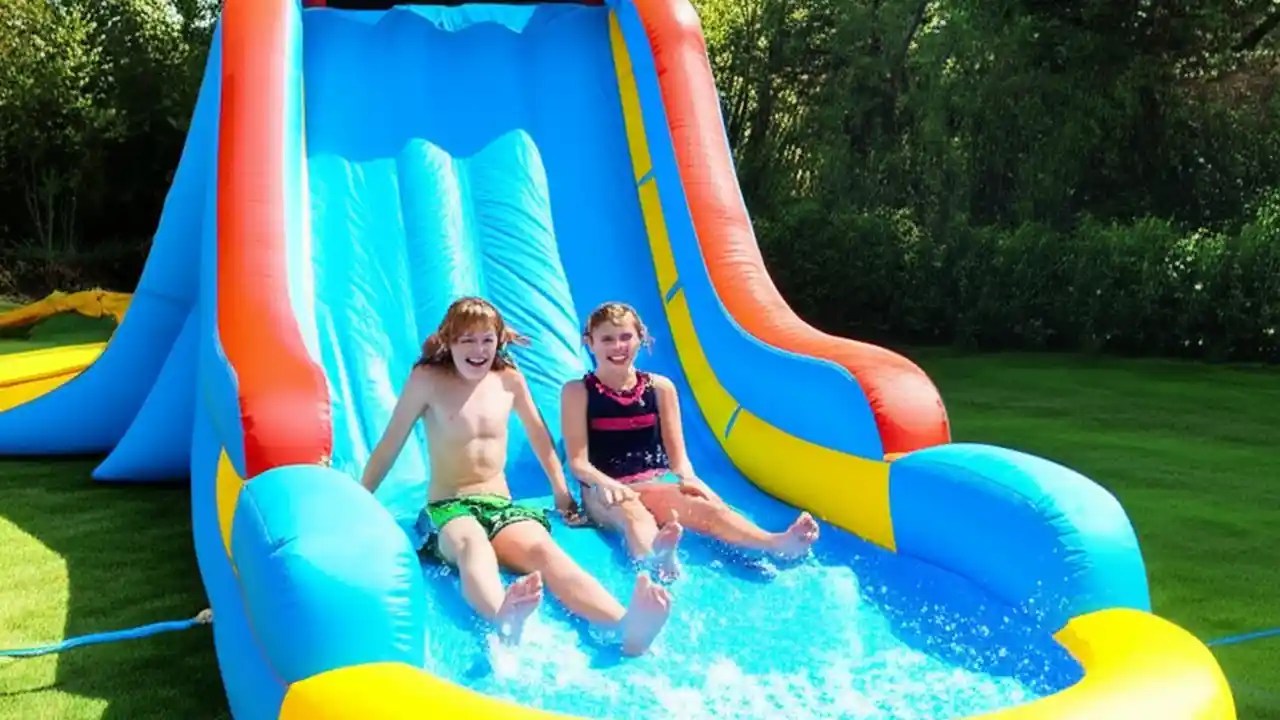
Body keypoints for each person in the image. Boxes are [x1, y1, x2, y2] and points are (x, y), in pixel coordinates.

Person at [360, 296, 672, 655]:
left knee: (545, 552)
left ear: (499, 341)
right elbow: (390, 444)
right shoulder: (428, 380)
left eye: (487, 340)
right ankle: (502, 616)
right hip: (449, 507)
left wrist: (561, 492)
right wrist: (360, 498)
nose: (478, 350)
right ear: (449, 341)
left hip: (501, 505)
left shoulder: (508, 380)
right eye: (467, 340)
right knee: (472, 545)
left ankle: (625, 625)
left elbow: (540, 437)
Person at [560, 301, 820, 581]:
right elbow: (578, 462)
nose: (618, 346)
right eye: (607, 339)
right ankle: (656, 561)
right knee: (634, 515)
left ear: (640, 338)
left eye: (626, 337)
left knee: (708, 509)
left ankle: (776, 544)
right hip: (602, 491)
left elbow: (678, 458)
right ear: (590, 343)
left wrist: (690, 480)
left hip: (651, 485)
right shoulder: (577, 392)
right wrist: (605, 483)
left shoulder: (660, 388)